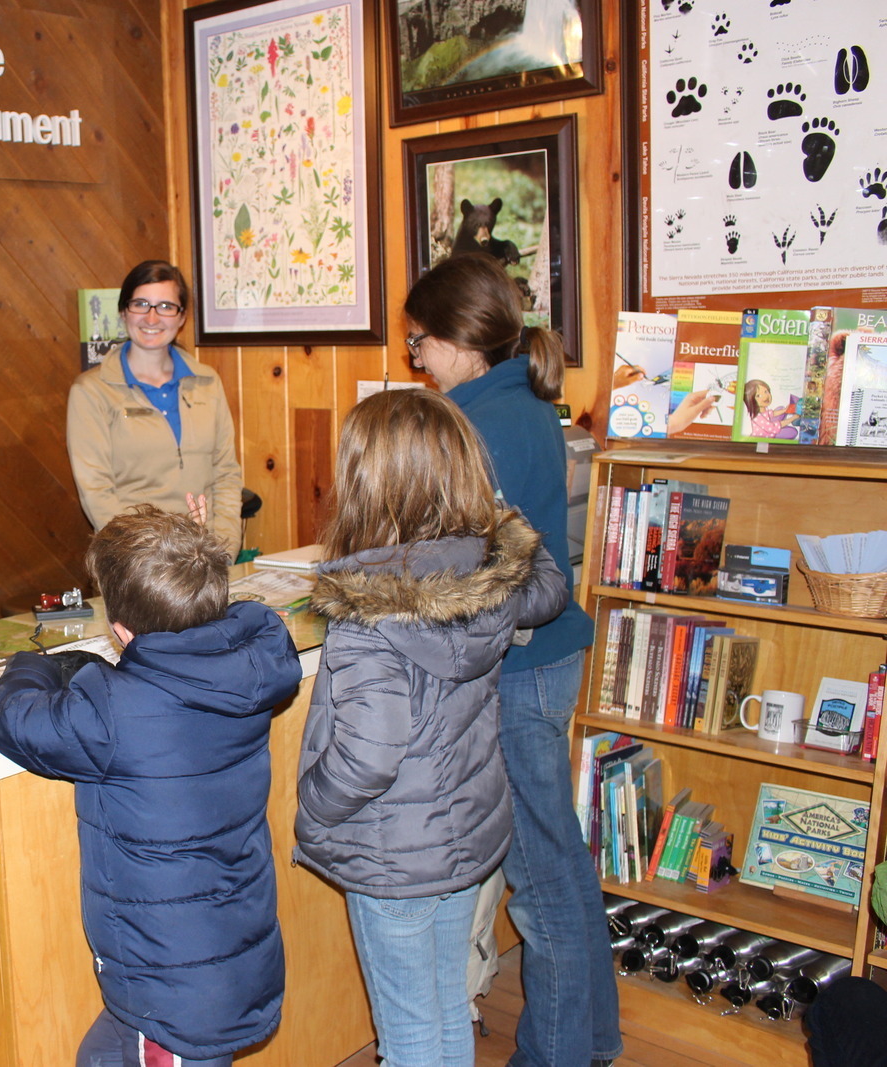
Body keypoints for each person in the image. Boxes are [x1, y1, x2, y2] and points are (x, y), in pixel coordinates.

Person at [294, 388, 568, 1067]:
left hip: (393, 854)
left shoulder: (366, 612)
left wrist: (315, 806)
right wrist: (500, 522)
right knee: (445, 1010)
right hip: (464, 837)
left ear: (365, 485)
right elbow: (549, 586)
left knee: (411, 1035)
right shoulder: (489, 576)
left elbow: (366, 757)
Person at [0, 505, 301, 1066]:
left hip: (171, 990)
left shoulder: (113, 711)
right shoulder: (247, 670)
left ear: (121, 631)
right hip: (219, 953)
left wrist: (33, 666)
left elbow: (11, 719)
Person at [404, 252, 621, 1067]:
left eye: (420, 342)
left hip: (518, 667)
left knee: (541, 878)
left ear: (461, 339)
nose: (417, 361)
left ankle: (559, 1053)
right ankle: (593, 1037)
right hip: (549, 655)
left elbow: (464, 563)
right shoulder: (527, 401)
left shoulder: (475, 423)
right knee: (560, 858)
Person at [66, 260, 244, 559]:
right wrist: (146, 559)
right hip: (133, 562)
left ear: (182, 317)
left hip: (204, 556)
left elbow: (226, 474)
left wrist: (222, 547)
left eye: (165, 306)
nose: (152, 317)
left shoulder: (207, 383)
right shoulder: (91, 392)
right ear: (124, 312)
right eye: (141, 304)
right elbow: (97, 492)